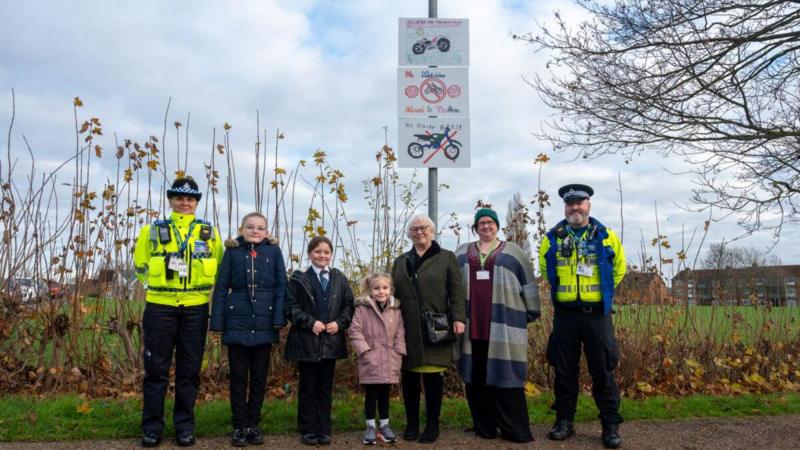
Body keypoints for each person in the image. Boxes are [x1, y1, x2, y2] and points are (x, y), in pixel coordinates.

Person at [133, 177, 224, 447]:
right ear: (171, 201)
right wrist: (155, 288)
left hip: (195, 308)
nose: (184, 203)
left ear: (196, 203)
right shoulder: (152, 230)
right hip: (160, 307)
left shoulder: (209, 232)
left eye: (190, 199)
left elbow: (218, 265)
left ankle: (184, 426)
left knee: (189, 370)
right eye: (179, 198)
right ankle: (152, 428)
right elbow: (140, 265)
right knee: (156, 370)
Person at [538, 184, 627, 449]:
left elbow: (619, 268)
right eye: (570, 204)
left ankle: (610, 425)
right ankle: (564, 422)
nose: (575, 208)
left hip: (596, 315)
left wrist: (602, 294)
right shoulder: (553, 236)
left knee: (603, 371)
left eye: (580, 203)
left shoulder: (606, 235)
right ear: (565, 207)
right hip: (565, 316)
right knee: (564, 371)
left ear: (588, 205)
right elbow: (545, 268)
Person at [454, 208, 541, 442]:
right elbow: (452, 286)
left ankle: (515, 430)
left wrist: (529, 313)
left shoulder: (514, 252)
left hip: (504, 326)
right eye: (481, 223)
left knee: (506, 376)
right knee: (476, 377)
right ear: (475, 227)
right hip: (473, 328)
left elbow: (529, 284)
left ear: (497, 226)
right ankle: (485, 427)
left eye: (490, 222)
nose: (485, 226)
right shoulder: (462, 252)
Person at [210, 212, 287, 446]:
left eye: (260, 228)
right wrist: (217, 322)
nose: (255, 231)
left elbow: (282, 285)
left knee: (260, 378)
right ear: (242, 229)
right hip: (237, 322)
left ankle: (253, 424)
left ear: (266, 232)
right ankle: (239, 425)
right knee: (239, 377)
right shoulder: (232, 252)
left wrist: (278, 318)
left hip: (264, 323)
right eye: (250, 227)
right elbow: (222, 287)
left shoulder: (274, 252)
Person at [391, 214, 466, 444]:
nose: (419, 232)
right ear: (409, 234)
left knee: (433, 378)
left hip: (437, 326)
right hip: (408, 327)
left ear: (432, 231)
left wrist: (459, 318)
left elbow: (456, 291)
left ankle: (432, 425)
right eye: (414, 229)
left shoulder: (446, 258)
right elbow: (392, 292)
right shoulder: (401, 261)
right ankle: (412, 424)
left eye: (423, 228)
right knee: (410, 377)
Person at [284, 236, 355, 446]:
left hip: (331, 343)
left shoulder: (339, 278)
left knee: (325, 388)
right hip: (306, 342)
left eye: (326, 252)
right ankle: (307, 429)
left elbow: (349, 305)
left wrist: (340, 323)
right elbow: (290, 307)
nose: (322, 256)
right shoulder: (298, 278)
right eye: (317, 252)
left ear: (331, 255)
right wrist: (310, 322)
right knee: (308, 387)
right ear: (310, 254)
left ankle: (324, 428)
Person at [347, 272, 406, 445]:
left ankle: (385, 425)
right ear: (370, 290)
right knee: (371, 395)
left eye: (385, 288)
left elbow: (400, 333)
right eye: (377, 288)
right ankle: (371, 426)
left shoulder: (395, 310)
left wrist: (398, 352)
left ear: (391, 289)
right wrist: (365, 352)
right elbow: (354, 332)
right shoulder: (362, 310)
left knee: (385, 395)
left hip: (390, 359)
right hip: (370, 360)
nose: (381, 292)